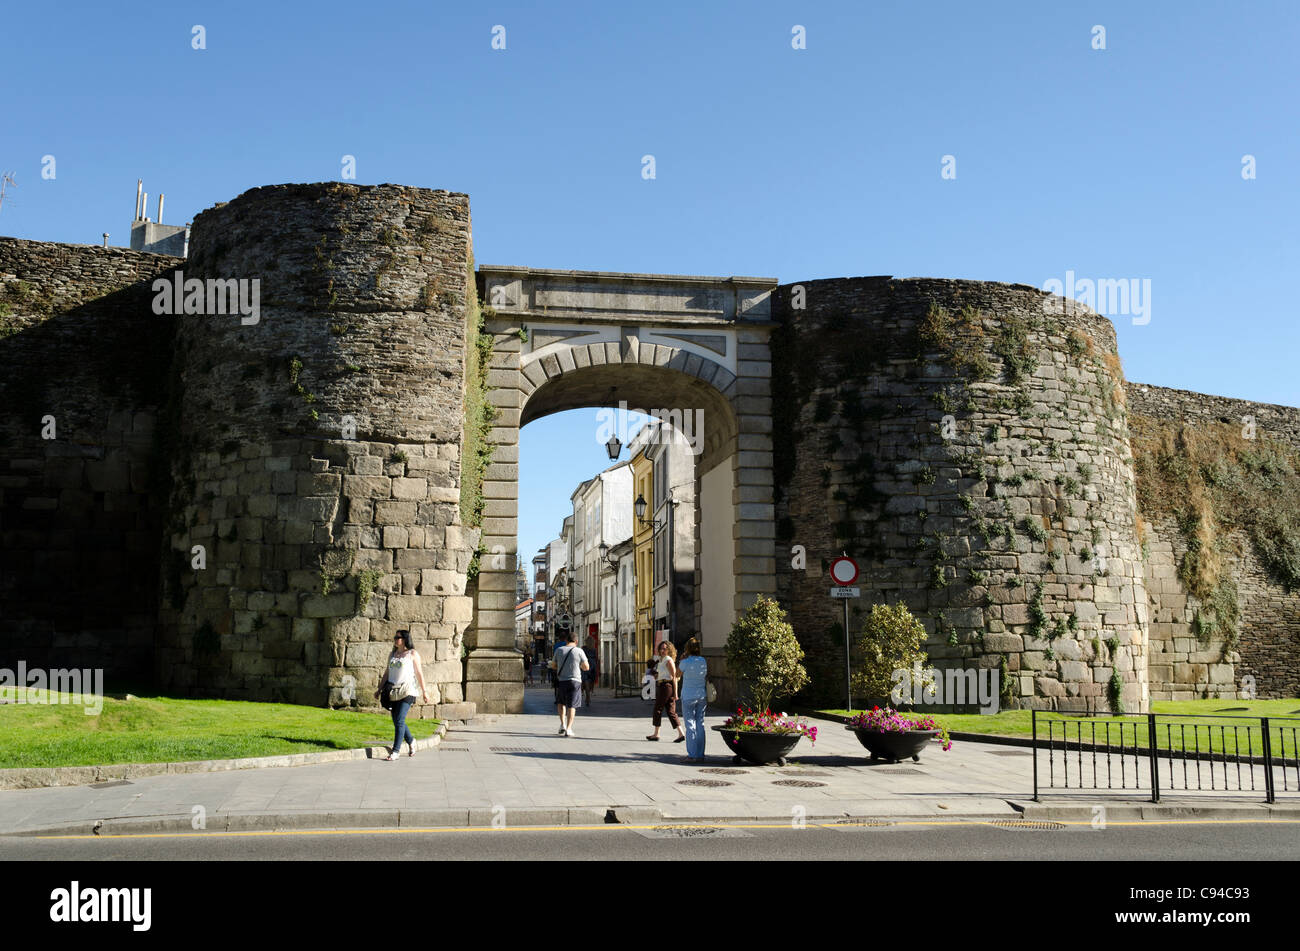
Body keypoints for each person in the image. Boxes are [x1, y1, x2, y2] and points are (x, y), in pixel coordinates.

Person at [374, 630, 429, 761]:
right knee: (397, 721)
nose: (395, 639)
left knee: (399, 719)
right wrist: (379, 689)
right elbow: (387, 672)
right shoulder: (392, 654)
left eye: (397, 637)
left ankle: (396, 751)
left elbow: (419, 673)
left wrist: (425, 691)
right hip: (393, 691)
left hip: (408, 690)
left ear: (404, 639)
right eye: (395, 637)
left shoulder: (412, 654)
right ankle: (411, 741)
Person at [551, 629, 589, 737]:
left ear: (567, 640)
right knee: (572, 705)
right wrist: (579, 666)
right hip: (575, 681)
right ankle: (569, 728)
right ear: (576, 641)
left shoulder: (559, 650)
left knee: (561, 703)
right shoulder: (579, 651)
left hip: (562, 680)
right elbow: (586, 667)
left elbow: (553, 665)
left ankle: (562, 724)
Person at [646, 640, 685, 743]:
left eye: (665, 648)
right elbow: (661, 675)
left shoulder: (668, 660)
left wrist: (676, 693)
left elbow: (674, 677)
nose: (662, 650)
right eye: (661, 648)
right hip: (662, 685)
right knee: (671, 711)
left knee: (658, 709)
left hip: (666, 687)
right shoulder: (661, 660)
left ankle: (656, 734)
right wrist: (655, 675)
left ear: (669, 650)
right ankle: (681, 733)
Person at [678, 638, 708, 761]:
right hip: (701, 695)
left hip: (688, 695)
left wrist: (681, 660)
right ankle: (700, 754)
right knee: (700, 723)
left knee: (690, 725)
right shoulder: (703, 660)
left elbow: (677, 675)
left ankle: (692, 755)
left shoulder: (685, 662)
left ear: (687, 649)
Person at [581, 635, 599, 706]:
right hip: (592, 666)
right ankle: (589, 693)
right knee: (590, 680)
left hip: (585, 665)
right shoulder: (594, 649)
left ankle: (584, 692)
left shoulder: (583, 648)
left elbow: (581, 657)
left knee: (584, 680)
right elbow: (596, 659)